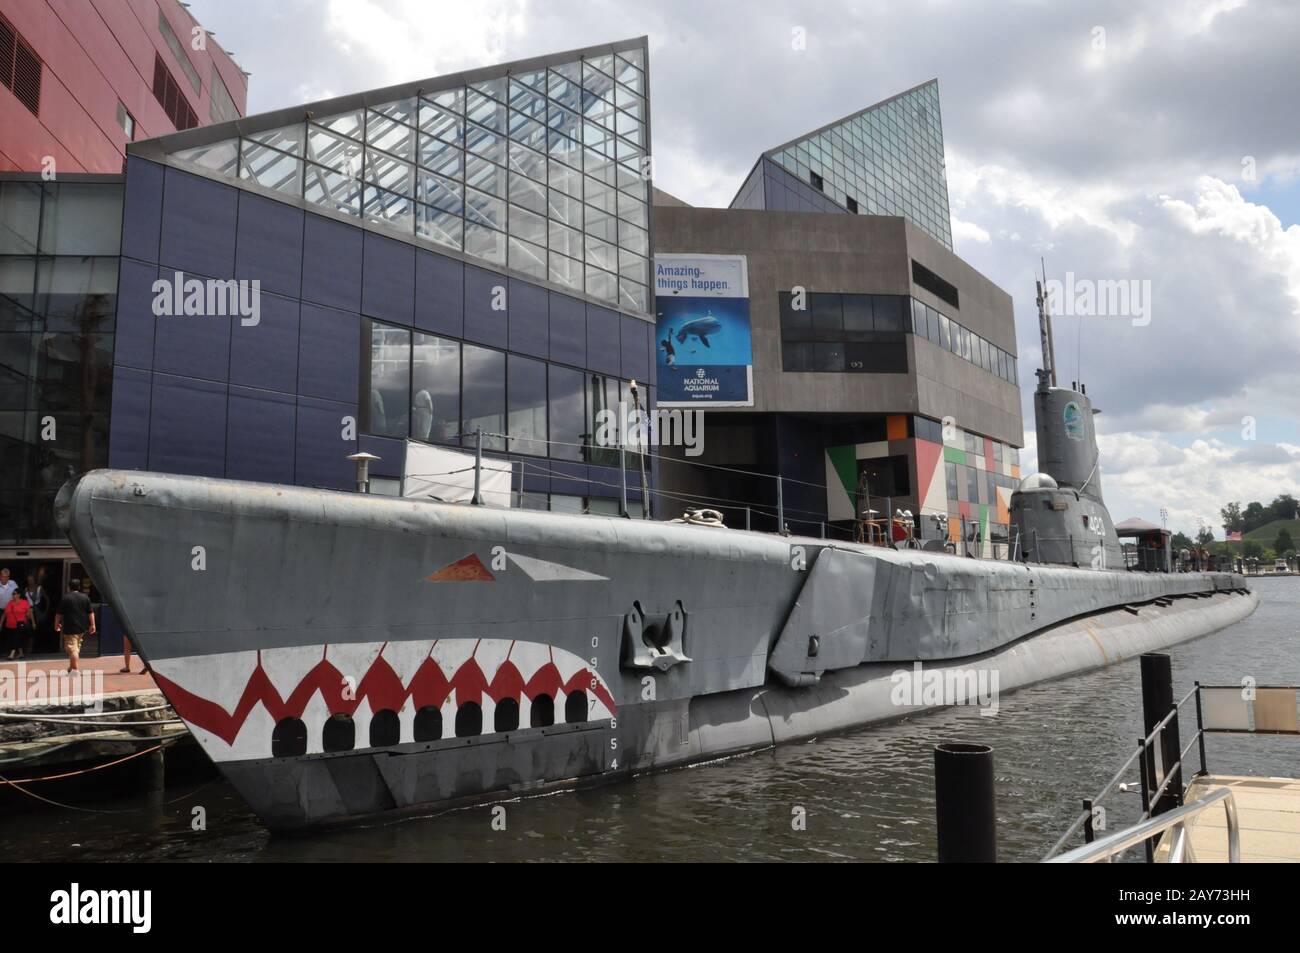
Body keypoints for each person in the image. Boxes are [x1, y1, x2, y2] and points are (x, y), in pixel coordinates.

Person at [55, 578, 95, 673]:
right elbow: (91, 612)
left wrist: (56, 624)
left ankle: (75, 670)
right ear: (79, 587)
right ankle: (71, 667)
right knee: (75, 648)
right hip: (81, 627)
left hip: (70, 627)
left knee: (73, 650)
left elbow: (58, 613)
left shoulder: (66, 598)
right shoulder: (85, 597)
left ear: (69, 587)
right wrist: (93, 624)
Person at [3, 587, 34, 660]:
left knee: (16, 638)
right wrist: (1, 623)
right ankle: (21, 653)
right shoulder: (10, 603)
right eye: (12, 594)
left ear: (19, 595)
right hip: (10, 625)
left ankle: (12, 654)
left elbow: (30, 613)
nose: (13, 595)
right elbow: (5, 613)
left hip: (21, 623)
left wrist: (33, 623)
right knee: (16, 638)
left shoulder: (24, 602)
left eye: (15, 594)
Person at [23, 575, 46, 657]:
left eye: (32, 580)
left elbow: (47, 599)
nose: (30, 582)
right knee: (29, 630)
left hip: (38, 611)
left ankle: (37, 647)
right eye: (29, 580)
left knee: (38, 629)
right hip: (29, 611)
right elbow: (23, 601)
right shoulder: (25, 590)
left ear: (34, 580)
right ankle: (29, 648)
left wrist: (46, 611)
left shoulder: (39, 588)